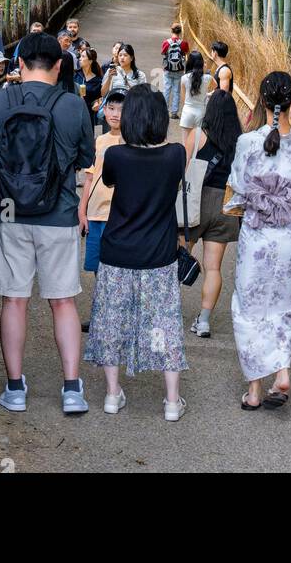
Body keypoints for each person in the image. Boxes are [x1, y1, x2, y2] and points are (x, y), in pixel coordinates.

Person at [0, 30, 95, 416]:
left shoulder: (0, 101)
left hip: (10, 208)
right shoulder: (72, 105)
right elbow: (84, 158)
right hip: (59, 212)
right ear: (59, 65)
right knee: (63, 300)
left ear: (19, 63)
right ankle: (71, 390)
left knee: (14, 299)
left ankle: (15, 389)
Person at [84, 85, 188, 421]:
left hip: (117, 252)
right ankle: (172, 401)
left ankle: (113, 395)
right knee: (164, 324)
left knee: (112, 321)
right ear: (159, 119)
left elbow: (110, 182)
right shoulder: (175, 155)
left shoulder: (115, 156)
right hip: (159, 255)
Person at [225, 72, 291, 409]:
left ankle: (253, 390)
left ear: (262, 102)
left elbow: (237, 183)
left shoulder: (247, 144)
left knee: (249, 306)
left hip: (257, 235)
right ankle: (282, 372)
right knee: (284, 302)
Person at [185, 90, 242, 338]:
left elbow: (183, 169)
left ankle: (162, 311)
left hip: (197, 200)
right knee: (214, 268)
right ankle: (204, 320)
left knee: (176, 256)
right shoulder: (241, 142)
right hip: (226, 206)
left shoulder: (198, 136)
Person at [77, 89, 126, 330]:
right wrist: (82, 210)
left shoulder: (132, 142)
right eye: (111, 108)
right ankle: (99, 315)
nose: (116, 114)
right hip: (96, 213)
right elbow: (89, 178)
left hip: (119, 216)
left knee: (117, 270)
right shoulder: (98, 141)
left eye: (121, 109)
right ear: (103, 110)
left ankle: (115, 318)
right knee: (98, 269)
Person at [178, 50, 213, 129]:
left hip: (187, 112)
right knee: (197, 140)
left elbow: (183, 99)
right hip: (201, 112)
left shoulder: (184, 78)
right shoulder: (207, 78)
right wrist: (207, 94)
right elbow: (217, 87)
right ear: (201, 63)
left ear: (189, 62)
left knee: (186, 140)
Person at [160, 22, 189, 118]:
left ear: (171, 30)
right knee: (177, 91)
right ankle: (174, 113)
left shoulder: (166, 42)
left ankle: (164, 111)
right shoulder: (184, 43)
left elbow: (163, 53)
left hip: (168, 69)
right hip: (179, 70)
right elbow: (186, 53)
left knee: (166, 90)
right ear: (180, 32)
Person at [76, 46, 103, 123]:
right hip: (74, 111)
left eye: (83, 56)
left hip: (88, 114)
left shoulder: (97, 80)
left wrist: (97, 103)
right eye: (80, 56)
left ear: (90, 61)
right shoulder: (75, 75)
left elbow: (98, 98)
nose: (80, 58)